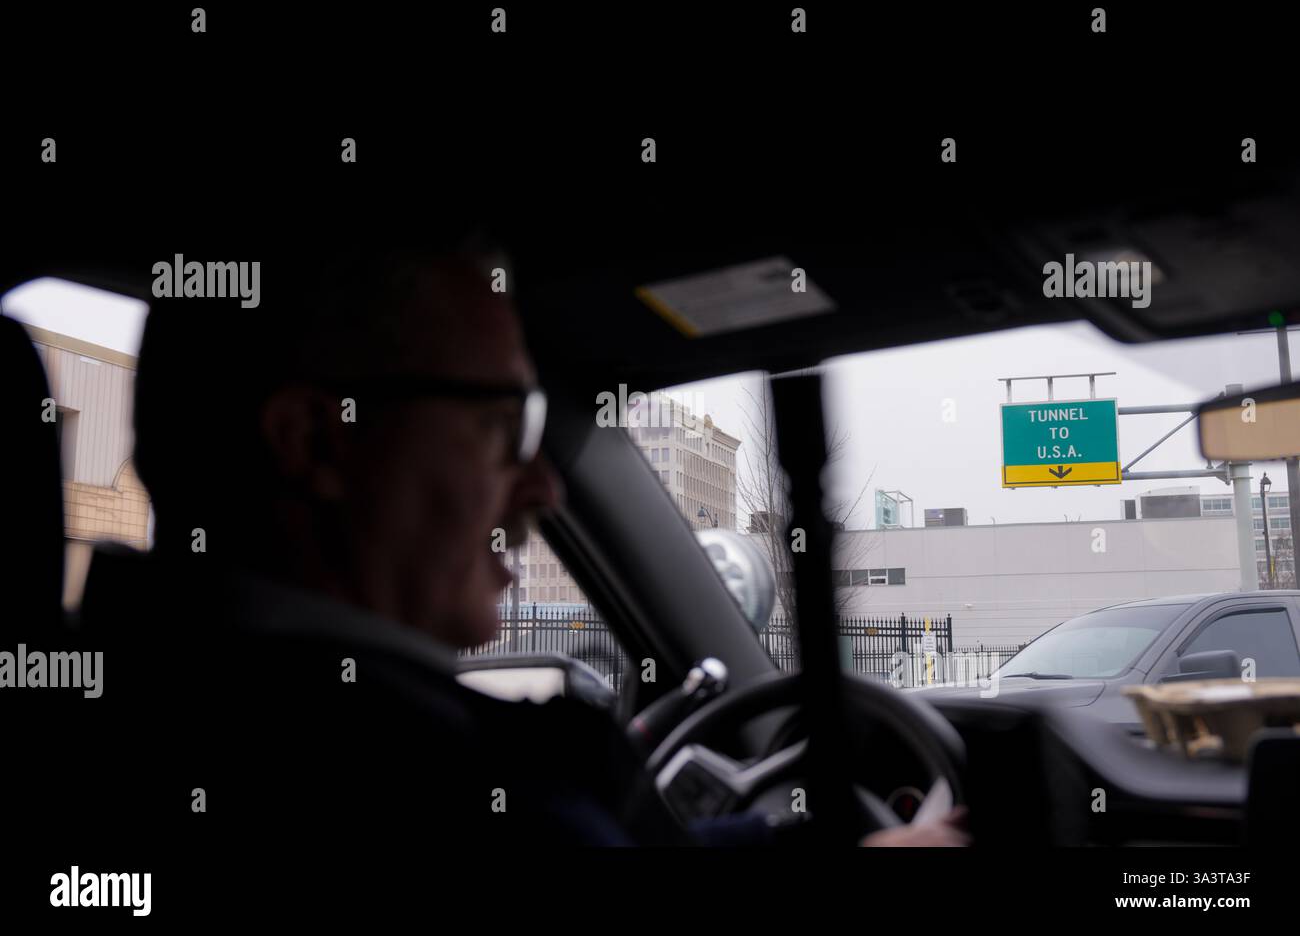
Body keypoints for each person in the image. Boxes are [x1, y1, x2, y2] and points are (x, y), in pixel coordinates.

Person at [108, 240, 966, 849]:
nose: (543, 487)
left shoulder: (170, 699)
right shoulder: (424, 779)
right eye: (500, 425)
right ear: (316, 440)